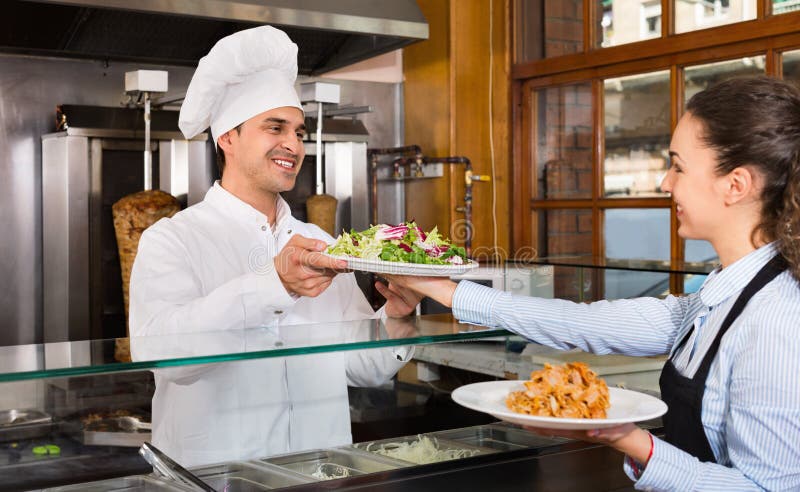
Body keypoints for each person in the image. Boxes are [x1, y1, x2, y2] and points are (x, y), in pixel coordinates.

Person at [388, 76, 800, 491]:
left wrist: (629, 439)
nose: (665, 182)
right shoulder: (716, 300)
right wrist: (443, 289)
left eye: (678, 166)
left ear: (736, 185)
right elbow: (582, 323)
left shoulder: (774, 322)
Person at [129, 25, 422, 467]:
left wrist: (397, 317)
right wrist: (273, 283)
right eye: (275, 127)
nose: (294, 144)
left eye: (300, 132)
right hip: (220, 478)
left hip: (320, 472)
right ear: (227, 136)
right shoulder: (172, 239)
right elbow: (164, 359)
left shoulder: (321, 242)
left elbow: (359, 366)